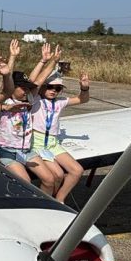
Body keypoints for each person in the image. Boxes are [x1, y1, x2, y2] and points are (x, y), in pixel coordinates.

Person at [0, 40, 63, 194]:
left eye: (27, 88)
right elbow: (7, 79)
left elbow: (39, 80)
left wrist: (50, 61)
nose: (26, 91)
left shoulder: (29, 99)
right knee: (26, 181)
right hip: (7, 150)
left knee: (50, 180)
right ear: (12, 88)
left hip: (26, 149)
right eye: (22, 87)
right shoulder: (6, 99)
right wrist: (12, 57)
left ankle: (42, 206)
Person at [30, 71, 90, 203]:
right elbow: (33, 84)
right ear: (43, 86)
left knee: (77, 170)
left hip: (52, 142)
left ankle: (59, 199)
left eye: (57, 88)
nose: (53, 91)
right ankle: (45, 200)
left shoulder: (60, 102)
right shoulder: (35, 100)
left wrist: (84, 87)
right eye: (50, 87)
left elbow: (83, 99)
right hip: (37, 142)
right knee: (58, 174)